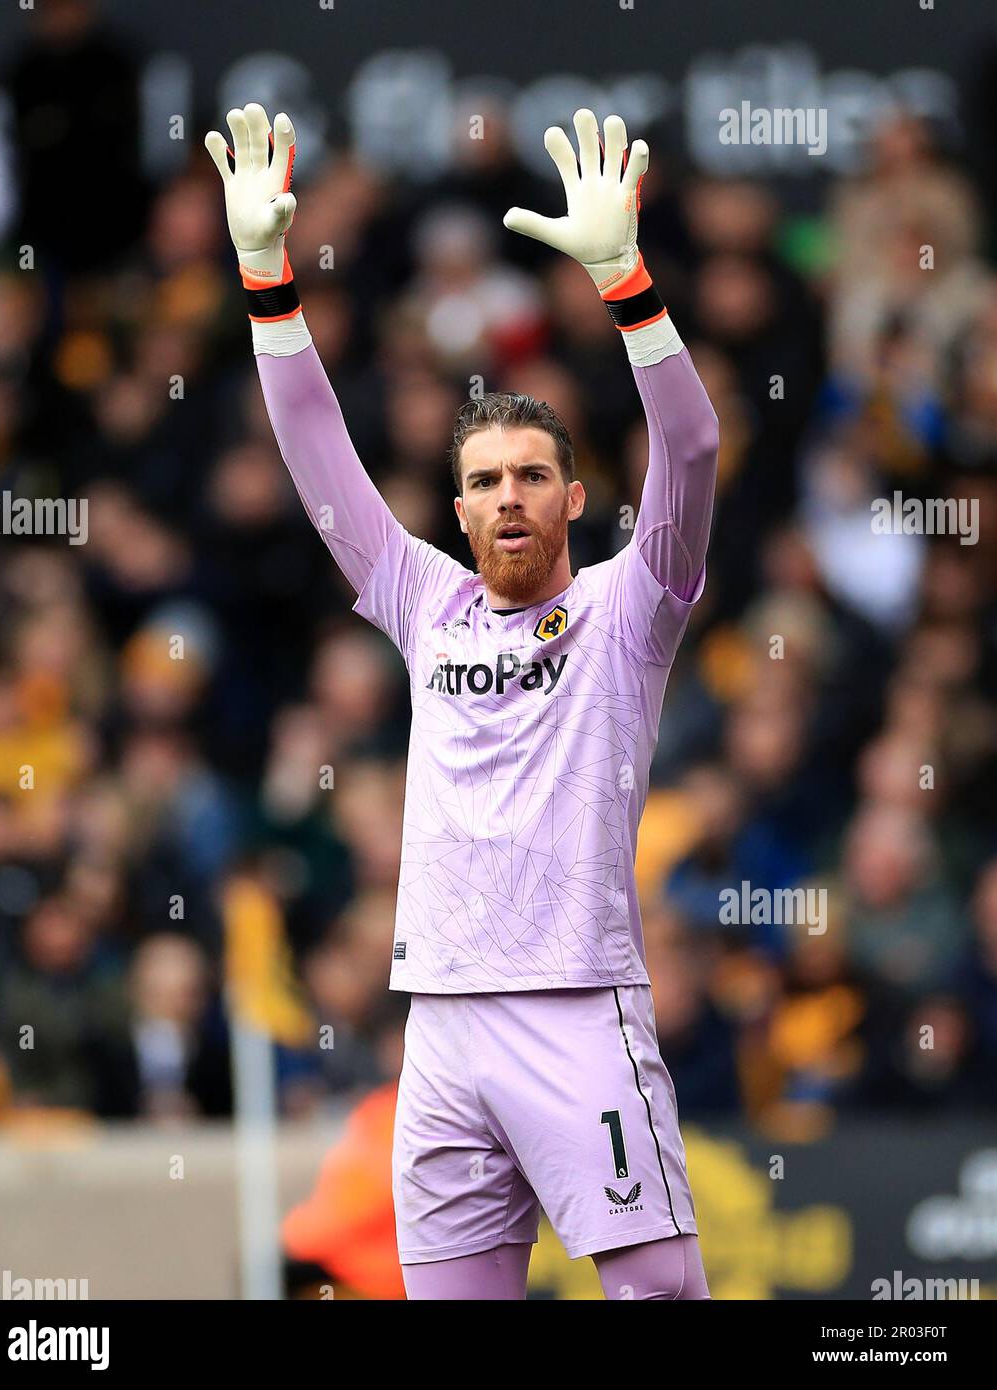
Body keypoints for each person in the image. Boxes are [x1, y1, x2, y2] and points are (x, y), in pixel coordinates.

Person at [206, 102, 718, 1301]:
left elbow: (690, 452)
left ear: (576, 497)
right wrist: (265, 276)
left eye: (533, 475)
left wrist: (627, 286)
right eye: (483, 480)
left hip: (577, 1009)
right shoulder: (417, 599)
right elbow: (313, 444)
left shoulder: (631, 606)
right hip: (437, 1027)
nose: (507, 498)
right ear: (457, 509)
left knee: (662, 1295)